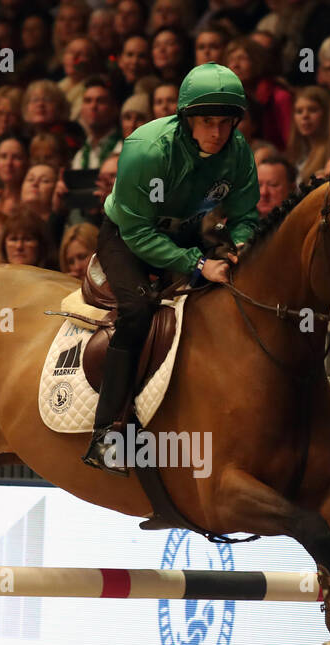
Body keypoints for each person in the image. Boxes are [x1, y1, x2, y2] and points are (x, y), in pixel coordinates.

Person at [83, 63, 258, 474]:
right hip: (127, 235)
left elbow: (245, 212)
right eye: (207, 121)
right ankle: (106, 434)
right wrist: (197, 265)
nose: (217, 132)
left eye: (226, 122)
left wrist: (242, 245)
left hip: (186, 229)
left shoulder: (238, 150)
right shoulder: (146, 149)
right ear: (187, 120)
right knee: (139, 309)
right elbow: (139, 231)